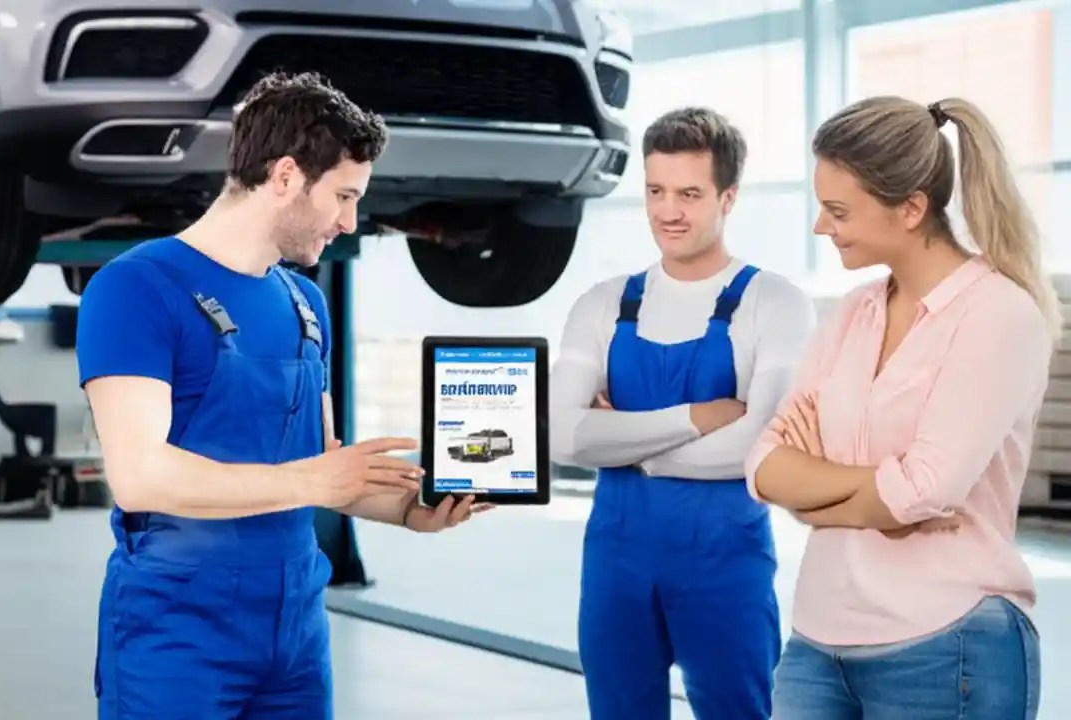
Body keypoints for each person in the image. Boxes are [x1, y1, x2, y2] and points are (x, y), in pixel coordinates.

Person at [76, 71, 490, 720]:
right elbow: (139, 476)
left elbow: (324, 466)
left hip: (296, 628)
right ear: (287, 177)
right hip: (178, 630)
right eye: (345, 197)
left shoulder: (305, 305)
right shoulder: (136, 289)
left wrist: (413, 506)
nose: (351, 223)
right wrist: (315, 483)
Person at [746, 95, 1060, 719]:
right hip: (817, 644)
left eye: (838, 211)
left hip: (950, 640)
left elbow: (926, 487)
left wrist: (819, 495)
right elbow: (763, 464)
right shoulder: (854, 313)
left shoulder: (997, 315)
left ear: (912, 208)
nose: (820, 227)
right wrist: (877, 502)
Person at [550, 107, 816, 719]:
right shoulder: (602, 303)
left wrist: (618, 440)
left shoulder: (772, 302)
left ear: (729, 197)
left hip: (725, 566)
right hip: (616, 563)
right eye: (656, 191)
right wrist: (699, 415)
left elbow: (761, 446)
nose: (668, 211)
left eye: (690, 194)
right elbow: (562, 436)